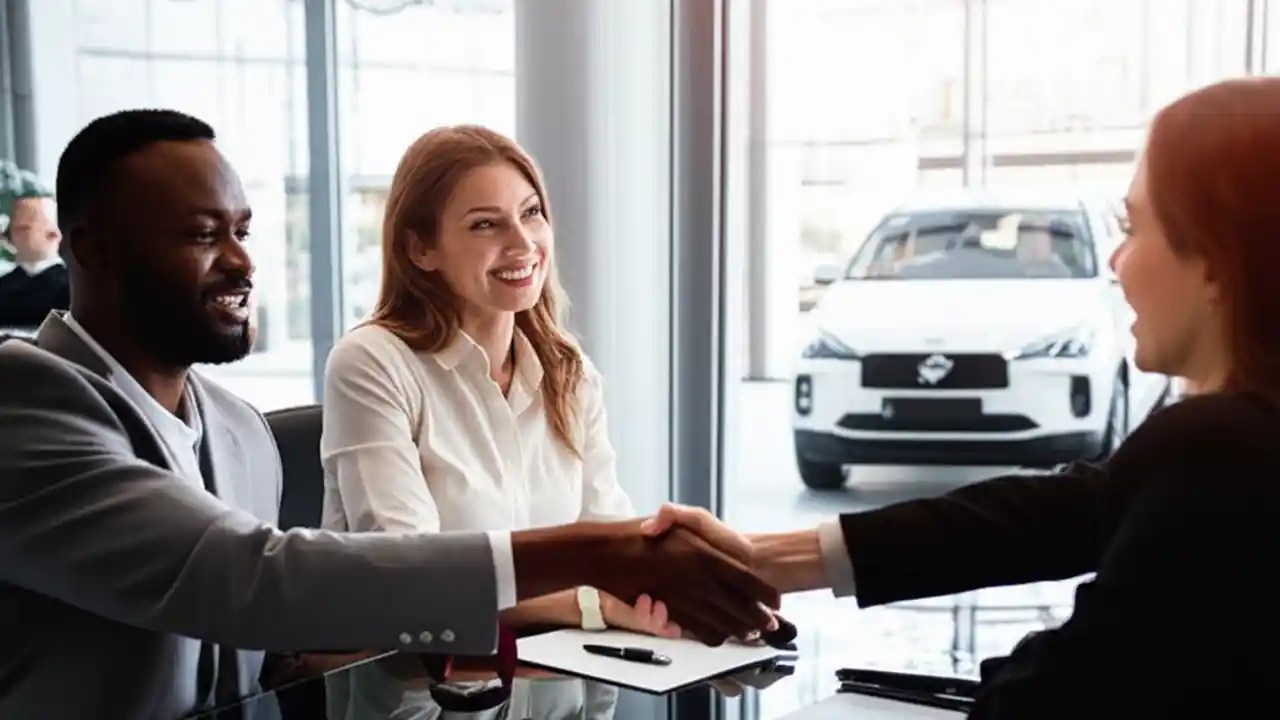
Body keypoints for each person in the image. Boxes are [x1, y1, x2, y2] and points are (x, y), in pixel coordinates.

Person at [0, 109, 778, 719]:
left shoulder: (239, 431)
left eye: (242, 231)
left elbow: (272, 656)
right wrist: (597, 564)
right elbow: (247, 582)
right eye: (206, 236)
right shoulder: (23, 398)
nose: (242, 261)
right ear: (91, 248)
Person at [646, 76, 1280, 718]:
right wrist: (762, 559)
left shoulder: (1220, 446)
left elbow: (1064, 688)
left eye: (1135, 226)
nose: (1117, 262)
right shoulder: (1237, 439)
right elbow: (1057, 513)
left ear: (1214, 261)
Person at [320, 125, 677, 714]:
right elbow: (415, 577)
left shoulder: (568, 371)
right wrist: (593, 604)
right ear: (420, 249)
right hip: (411, 693)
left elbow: (612, 547)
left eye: (531, 213)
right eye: (486, 224)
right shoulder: (371, 362)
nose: (523, 243)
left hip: (557, 683)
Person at [0, 168, 68, 327]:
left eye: (24, 228)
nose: (15, 233)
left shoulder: (70, 286)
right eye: (14, 227)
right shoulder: (5, 284)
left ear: (53, 234)